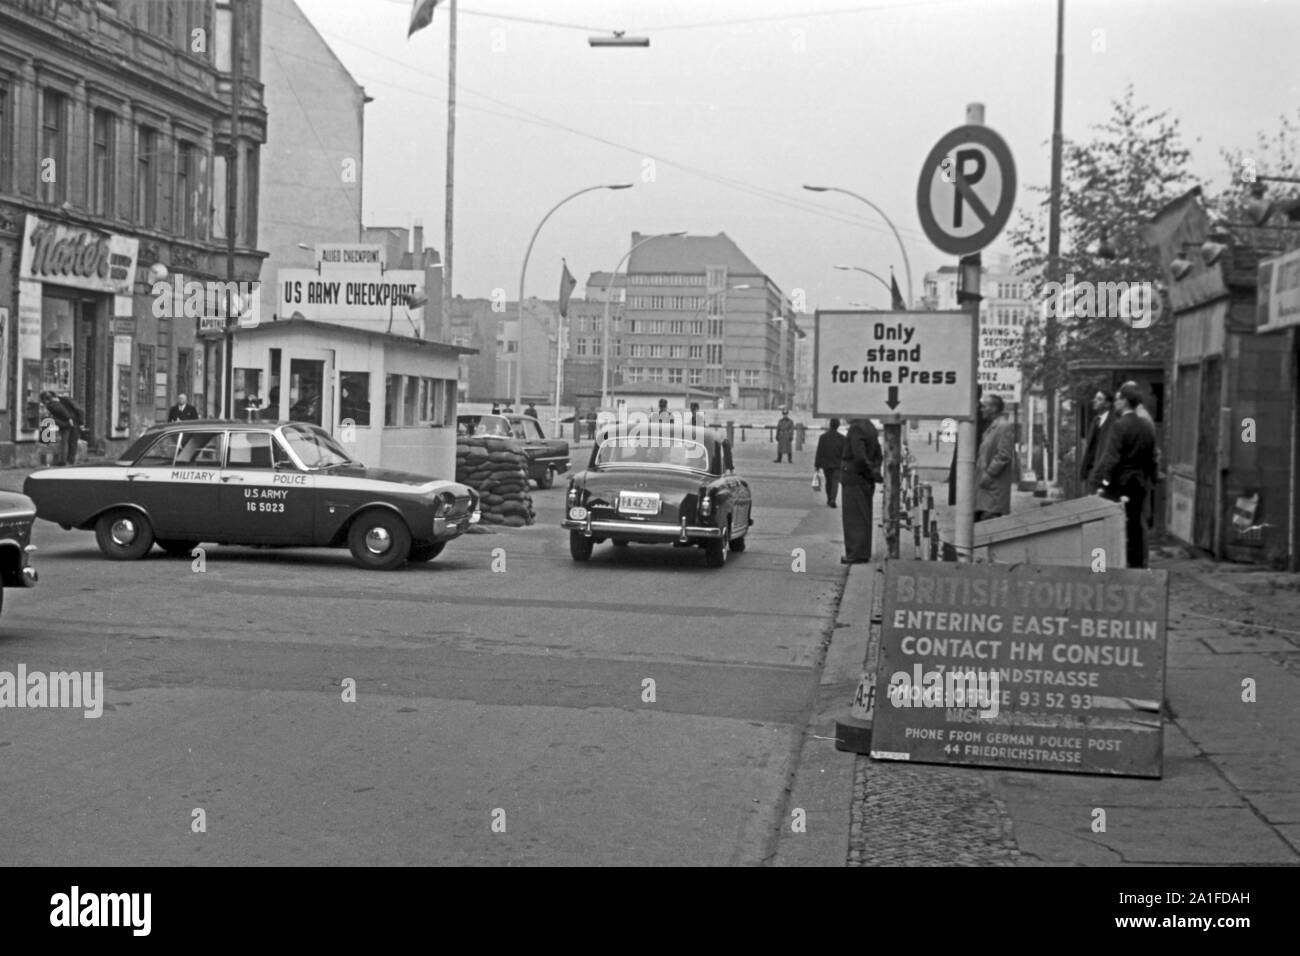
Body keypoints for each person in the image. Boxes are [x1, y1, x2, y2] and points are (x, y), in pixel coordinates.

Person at [1093, 382, 1159, 569]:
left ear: (1125, 401)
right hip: (1140, 482)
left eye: (1117, 400)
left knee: (1114, 523)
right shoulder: (1146, 426)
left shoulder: (1119, 426)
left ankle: (1114, 561)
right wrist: (1151, 479)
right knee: (1136, 523)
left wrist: (1104, 484)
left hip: (1120, 483)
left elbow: (1113, 459)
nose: (1115, 403)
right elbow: (1151, 457)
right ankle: (1136, 563)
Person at [840, 417, 882, 563]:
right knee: (864, 517)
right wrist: (874, 473)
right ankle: (863, 552)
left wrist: (868, 471)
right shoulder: (870, 426)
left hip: (854, 478)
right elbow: (878, 454)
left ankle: (856, 554)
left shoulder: (856, 428)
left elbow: (859, 457)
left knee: (853, 519)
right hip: (864, 480)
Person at [974, 393, 1016, 522]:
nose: (981, 410)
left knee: (988, 525)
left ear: (994, 408)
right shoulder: (992, 427)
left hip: (993, 488)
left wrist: (989, 474)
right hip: (985, 489)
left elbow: (1004, 454)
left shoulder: (1003, 427)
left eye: (984, 407)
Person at [1079, 388, 1114, 493]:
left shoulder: (1113, 423)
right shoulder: (1095, 421)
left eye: (1099, 399)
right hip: (1092, 472)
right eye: (1095, 398)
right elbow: (1090, 448)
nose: (1094, 400)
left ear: (1107, 404)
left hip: (1104, 474)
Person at [40, 390, 84, 466]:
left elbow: (79, 410)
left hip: (75, 422)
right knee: (66, 441)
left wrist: (81, 423)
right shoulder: (52, 404)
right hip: (65, 424)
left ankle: (70, 461)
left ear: (54, 397)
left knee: (72, 441)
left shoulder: (66, 400)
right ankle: (66, 461)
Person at [814, 418, 846, 508]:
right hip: (837, 464)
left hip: (826, 464)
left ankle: (829, 498)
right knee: (835, 481)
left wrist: (817, 464)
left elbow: (819, 451)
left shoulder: (823, 437)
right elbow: (845, 453)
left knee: (828, 481)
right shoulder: (843, 438)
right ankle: (833, 499)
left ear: (830, 425)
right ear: (838, 426)